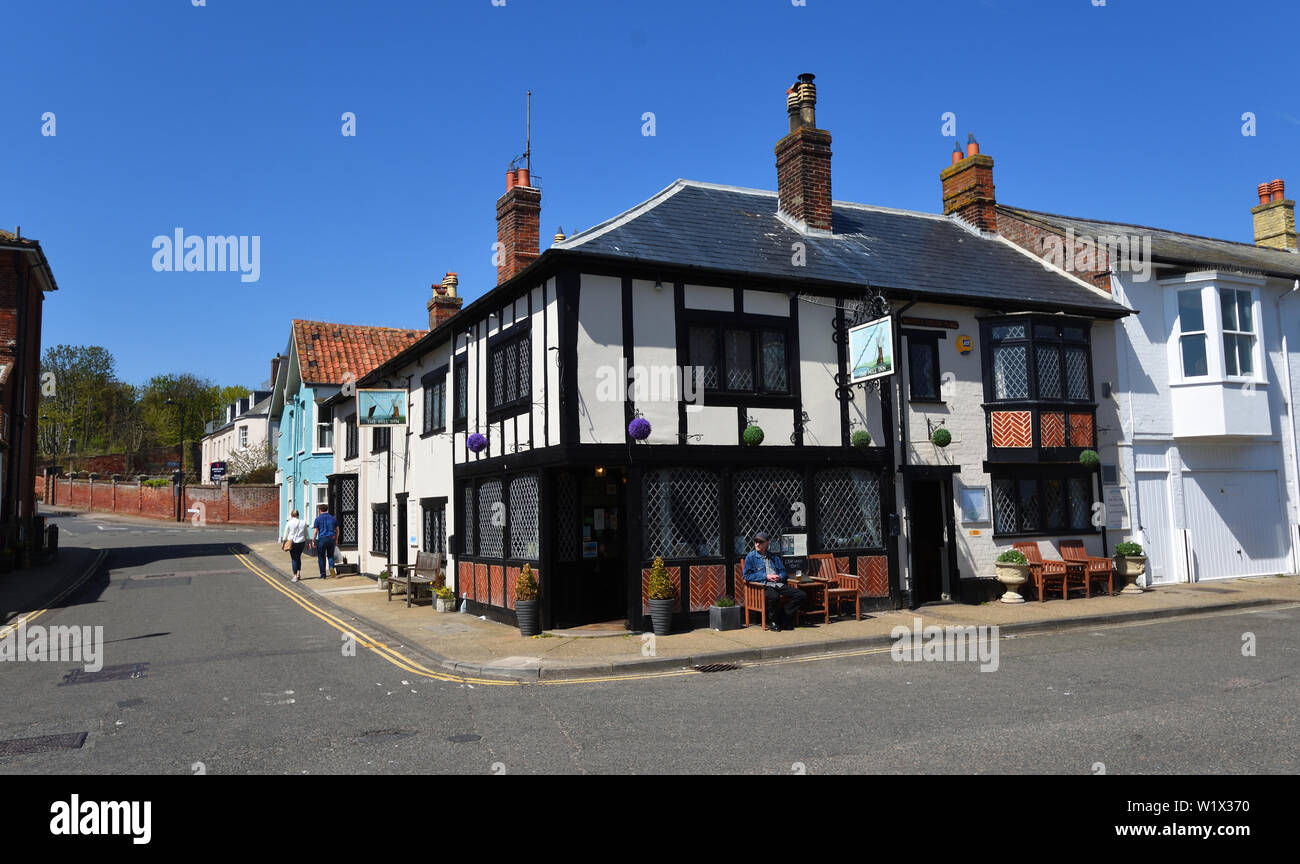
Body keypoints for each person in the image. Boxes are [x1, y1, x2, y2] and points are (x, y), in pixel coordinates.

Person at [742, 531, 805, 631]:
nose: (757, 544)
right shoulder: (751, 557)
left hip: (778, 584)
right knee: (774, 597)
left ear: (767, 543)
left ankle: (783, 615)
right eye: (756, 541)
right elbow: (747, 576)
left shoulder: (773, 557)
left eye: (760, 542)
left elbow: (784, 572)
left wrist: (779, 577)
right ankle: (773, 621)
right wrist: (766, 576)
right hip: (764, 585)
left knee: (801, 595)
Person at [312, 503, 339, 579]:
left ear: (320, 510)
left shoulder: (317, 519)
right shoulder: (333, 518)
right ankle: (331, 568)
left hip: (322, 539)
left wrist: (313, 541)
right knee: (330, 556)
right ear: (327, 510)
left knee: (321, 557)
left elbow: (315, 531)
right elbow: (337, 529)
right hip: (331, 538)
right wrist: (336, 539)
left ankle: (323, 575)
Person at [282, 508, 308, 582]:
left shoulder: (289, 522)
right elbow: (306, 534)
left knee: (294, 559)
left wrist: (284, 543)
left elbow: (285, 534)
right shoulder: (303, 522)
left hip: (292, 542)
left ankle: (295, 576)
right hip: (301, 542)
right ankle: (299, 573)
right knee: (298, 557)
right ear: (298, 515)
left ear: (291, 515)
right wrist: (309, 543)